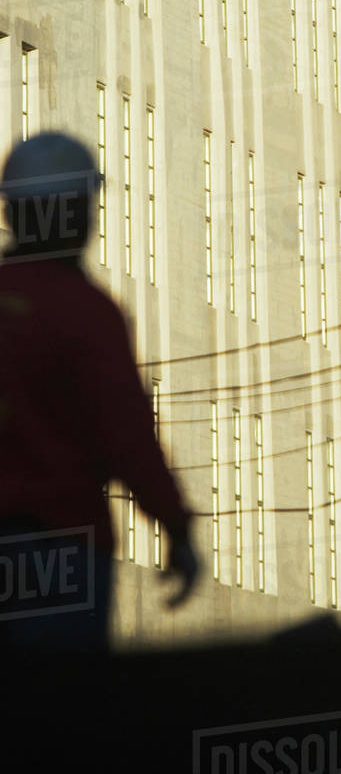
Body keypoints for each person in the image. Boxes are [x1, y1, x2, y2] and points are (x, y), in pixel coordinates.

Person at [0, 131, 200, 650]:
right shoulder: (87, 314)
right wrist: (176, 529)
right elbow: (128, 438)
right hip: (64, 550)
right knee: (62, 718)